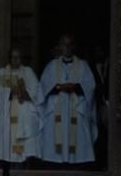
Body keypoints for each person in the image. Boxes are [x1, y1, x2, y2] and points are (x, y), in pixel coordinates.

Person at [39, 34, 98, 164]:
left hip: (76, 107)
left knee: (79, 137)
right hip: (57, 108)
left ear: (74, 47)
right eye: (64, 44)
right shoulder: (52, 66)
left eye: (70, 44)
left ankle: (78, 163)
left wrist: (75, 87)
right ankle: (54, 162)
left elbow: (90, 87)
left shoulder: (83, 66)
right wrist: (60, 87)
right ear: (59, 47)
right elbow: (43, 88)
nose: (67, 47)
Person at [0, 48, 42, 169]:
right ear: (9, 59)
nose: (15, 60)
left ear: (21, 59)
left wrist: (23, 91)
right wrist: (10, 90)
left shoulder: (28, 72)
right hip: (6, 114)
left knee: (24, 141)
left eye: (18, 57)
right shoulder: (1, 73)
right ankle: (4, 164)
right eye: (13, 57)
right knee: (5, 142)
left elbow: (36, 93)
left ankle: (23, 164)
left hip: (23, 114)